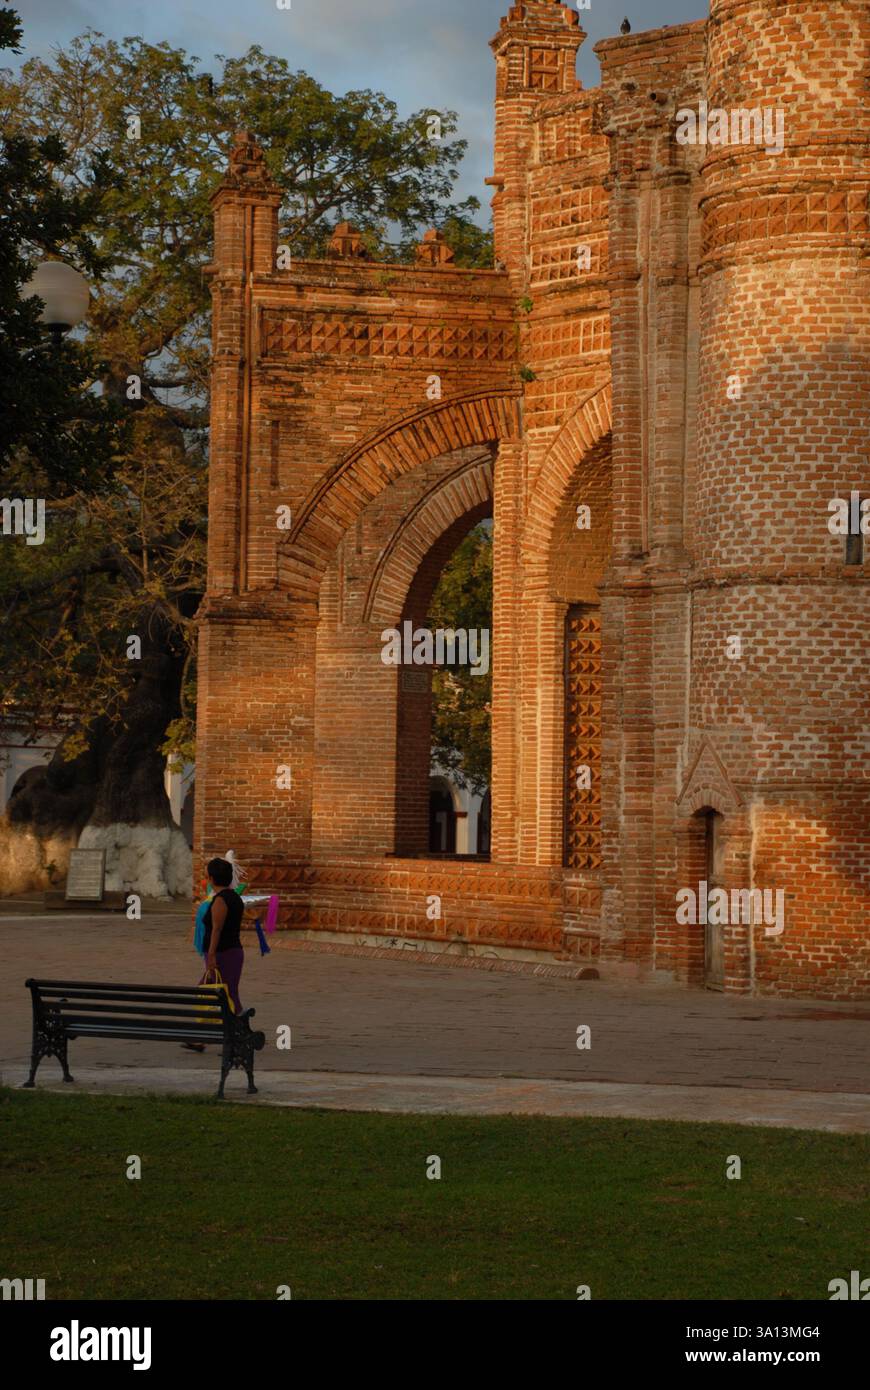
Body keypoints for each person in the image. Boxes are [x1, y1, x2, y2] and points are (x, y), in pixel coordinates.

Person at [182, 857, 245, 1053]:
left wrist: (211, 956)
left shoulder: (221, 900)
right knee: (216, 992)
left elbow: (216, 929)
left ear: (211, 878)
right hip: (231, 952)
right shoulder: (234, 897)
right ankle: (207, 1036)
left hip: (223, 953)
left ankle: (238, 1035)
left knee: (226, 994)